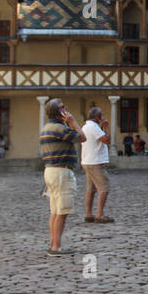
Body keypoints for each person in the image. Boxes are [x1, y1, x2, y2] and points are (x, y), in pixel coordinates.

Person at [39, 98, 86, 254]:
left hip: (51, 171)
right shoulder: (59, 128)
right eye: (63, 107)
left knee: (55, 210)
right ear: (58, 112)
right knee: (62, 211)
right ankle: (56, 247)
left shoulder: (47, 127)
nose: (66, 109)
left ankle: (53, 244)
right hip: (61, 172)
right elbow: (82, 137)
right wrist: (72, 121)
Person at [81, 106, 113, 224]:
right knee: (104, 188)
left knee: (91, 189)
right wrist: (106, 127)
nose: (103, 116)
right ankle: (100, 214)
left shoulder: (85, 126)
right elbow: (107, 140)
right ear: (96, 117)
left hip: (87, 161)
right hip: (95, 162)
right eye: (101, 115)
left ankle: (89, 214)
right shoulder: (94, 127)